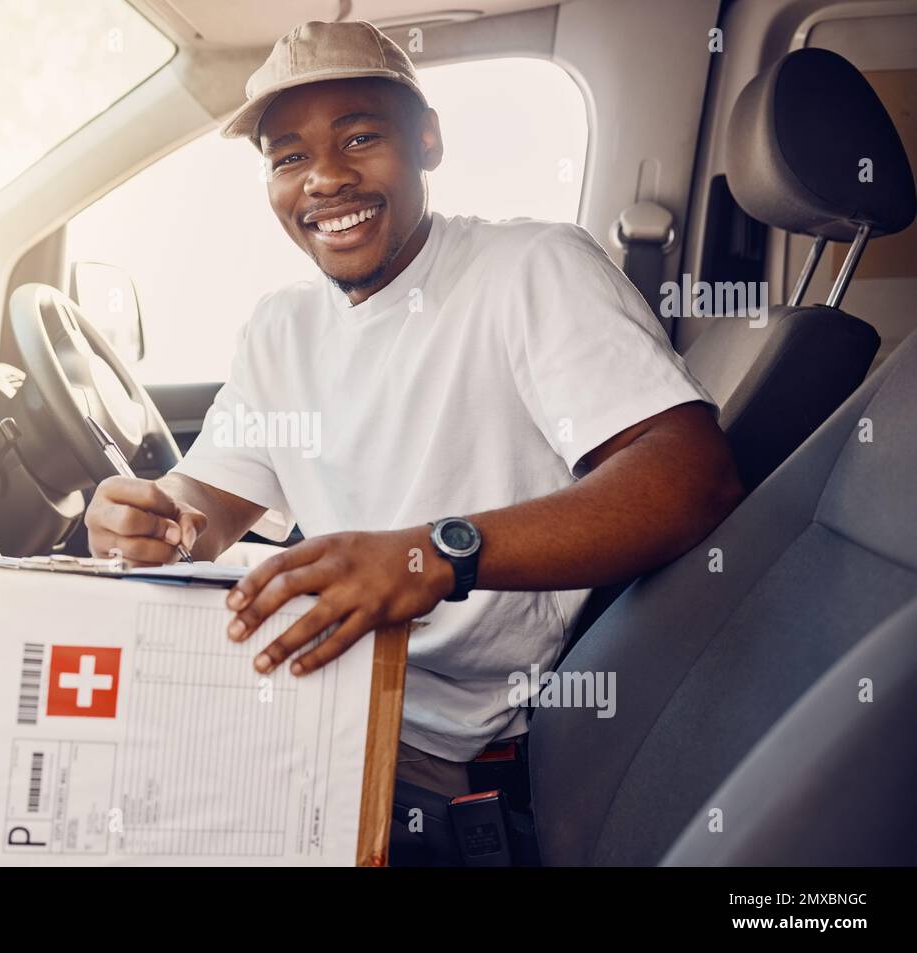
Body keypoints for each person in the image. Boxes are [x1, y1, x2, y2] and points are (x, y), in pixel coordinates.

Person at [84, 20, 744, 795]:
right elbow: (210, 504)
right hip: (320, 696)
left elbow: (694, 477)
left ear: (427, 140)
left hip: (442, 750)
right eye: (289, 156)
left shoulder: (532, 270)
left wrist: (432, 553)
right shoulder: (282, 326)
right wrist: (157, 516)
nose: (324, 179)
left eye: (359, 138)